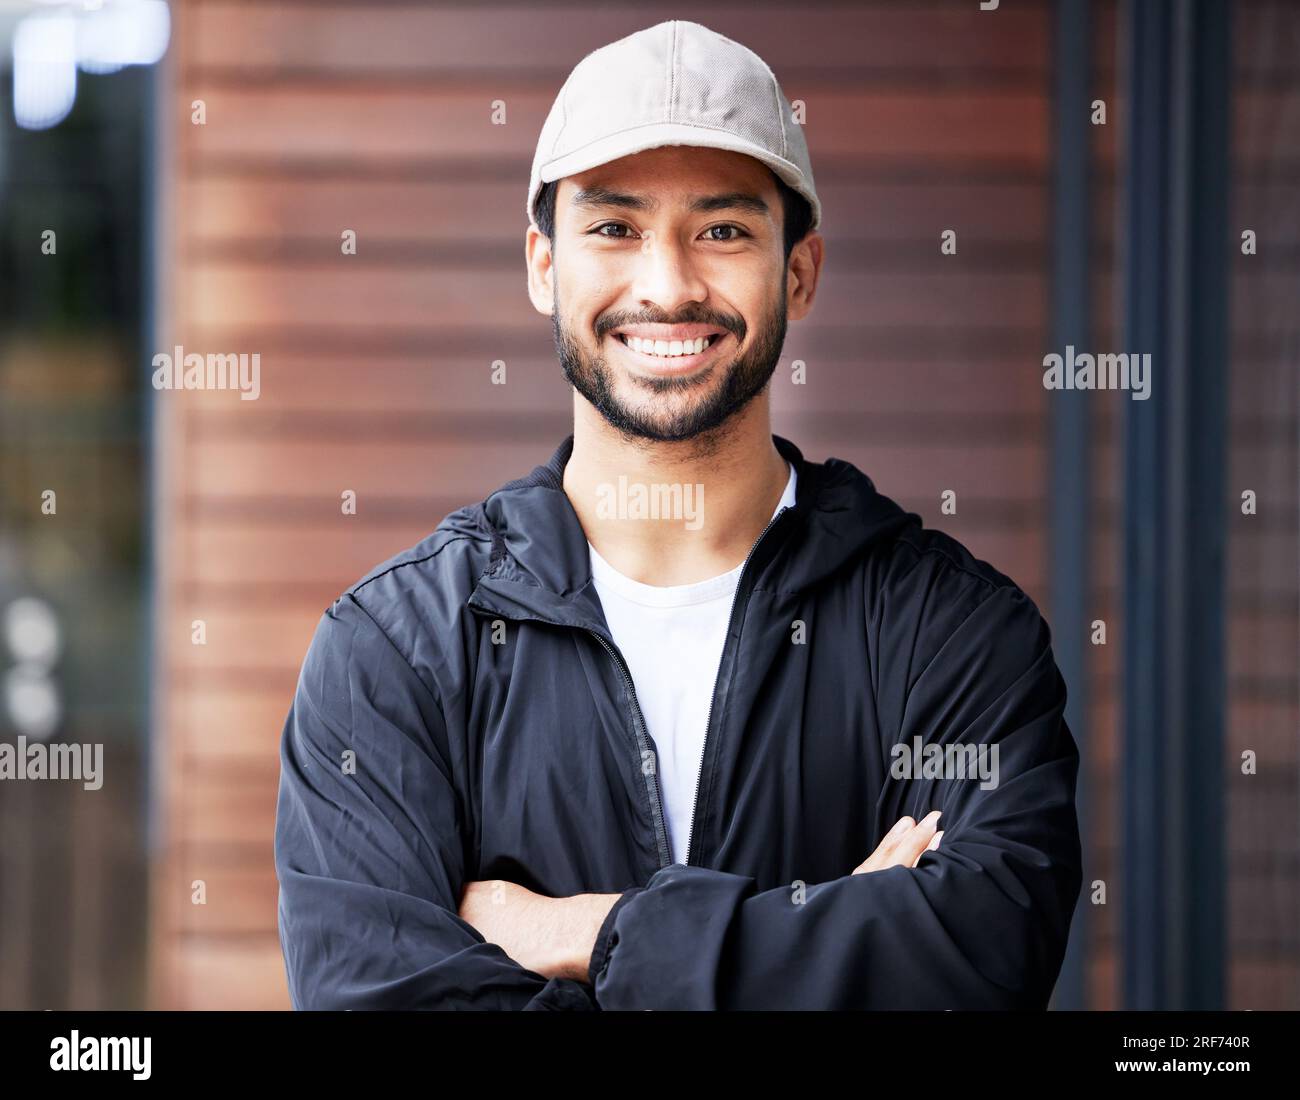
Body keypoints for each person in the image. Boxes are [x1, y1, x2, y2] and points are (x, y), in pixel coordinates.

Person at [274, 20, 1082, 1010]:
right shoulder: (395, 655)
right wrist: (825, 936)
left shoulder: (951, 636)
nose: (666, 285)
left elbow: (977, 963)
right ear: (542, 266)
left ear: (799, 269)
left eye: (723, 229)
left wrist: (586, 931)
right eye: (614, 227)